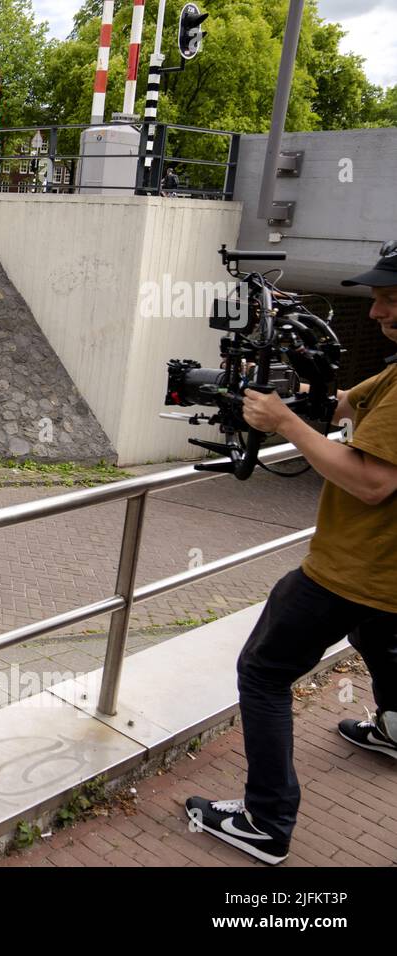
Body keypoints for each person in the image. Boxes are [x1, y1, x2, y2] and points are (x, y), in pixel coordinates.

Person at [185, 240, 397, 865]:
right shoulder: (394, 371)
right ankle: (393, 729)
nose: (380, 312)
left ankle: (265, 820)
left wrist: (286, 426)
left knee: (264, 671)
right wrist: (287, 395)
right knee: (379, 640)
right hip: (386, 581)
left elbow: (371, 480)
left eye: (391, 299)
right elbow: (339, 404)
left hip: (357, 569)